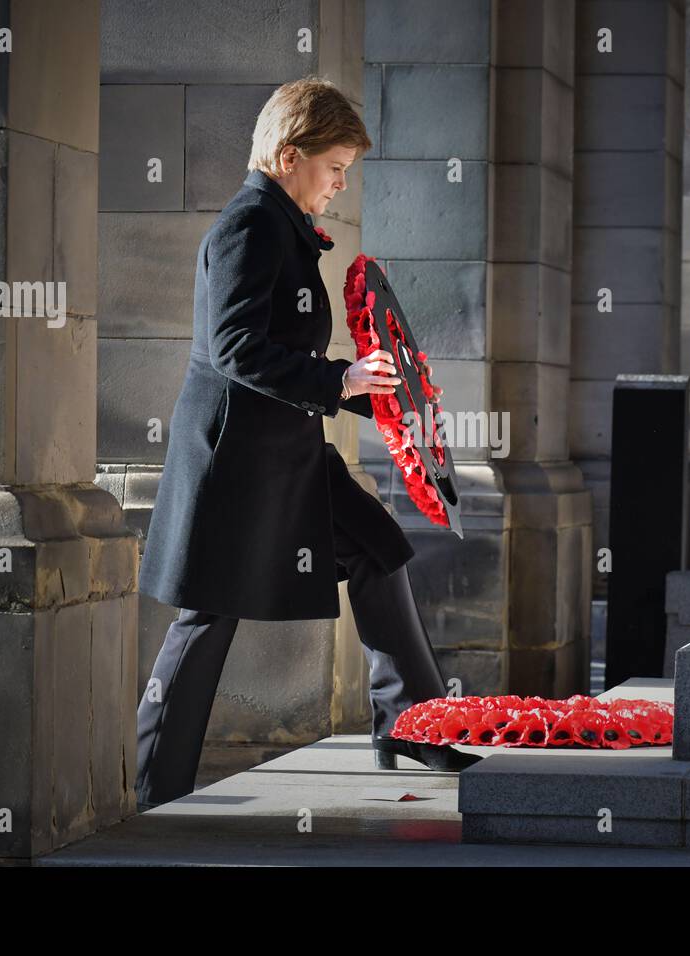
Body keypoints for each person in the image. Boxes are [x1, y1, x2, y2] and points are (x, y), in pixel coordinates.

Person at [133, 77, 480, 811]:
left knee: (379, 551)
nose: (339, 185)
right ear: (289, 155)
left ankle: (412, 725)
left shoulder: (278, 224)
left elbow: (290, 360)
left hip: (286, 456)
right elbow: (234, 349)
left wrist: (367, 390)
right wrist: (341, 379)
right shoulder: (251, 224)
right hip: (237, 464)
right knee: (205, 617)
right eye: (334, 169)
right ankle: (153, 791)